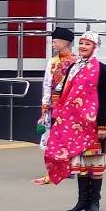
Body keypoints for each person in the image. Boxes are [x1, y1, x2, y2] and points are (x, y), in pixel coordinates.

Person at [46, 31, 106, 211]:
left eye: (88, 44)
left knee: (95, 163)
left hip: (94, 123)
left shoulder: (102, 69)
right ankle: (82, 201)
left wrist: (102, 125)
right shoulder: (73, 67)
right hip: (75, 124)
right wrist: (58, 116)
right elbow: (64, 93)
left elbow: (105, 99)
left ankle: (94, 201)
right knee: (81, 164)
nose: (83, 47)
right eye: (81, 43)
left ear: (95, 47)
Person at [33, 27, 76, 185]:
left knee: (68, 136)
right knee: (51, 136)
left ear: (65, 43)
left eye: (55, 41)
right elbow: (46, 84)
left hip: (69, 105)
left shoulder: (76, 61)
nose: (53, 44)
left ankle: (69, 167)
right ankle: (53, 169)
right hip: (53, 105)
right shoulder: (52, 62)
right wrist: (45, 104)